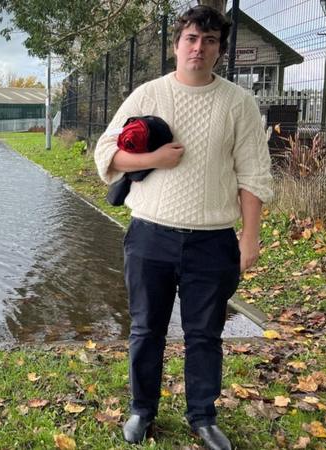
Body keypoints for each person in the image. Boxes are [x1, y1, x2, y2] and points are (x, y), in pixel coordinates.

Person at [94, 5, 273, 450]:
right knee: (145, 329)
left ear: (219, 50)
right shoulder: (147, 94)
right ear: (177, 45)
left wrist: (249, 237)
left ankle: (203, 417)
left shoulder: (238, 103)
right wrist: (154, 159)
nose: (199, 48)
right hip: (150, 235)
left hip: (212, 241)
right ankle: (141, 410)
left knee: (205, 334)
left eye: (209, 41)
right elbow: (105, 154)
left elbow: (254, 174)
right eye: (191, 38)